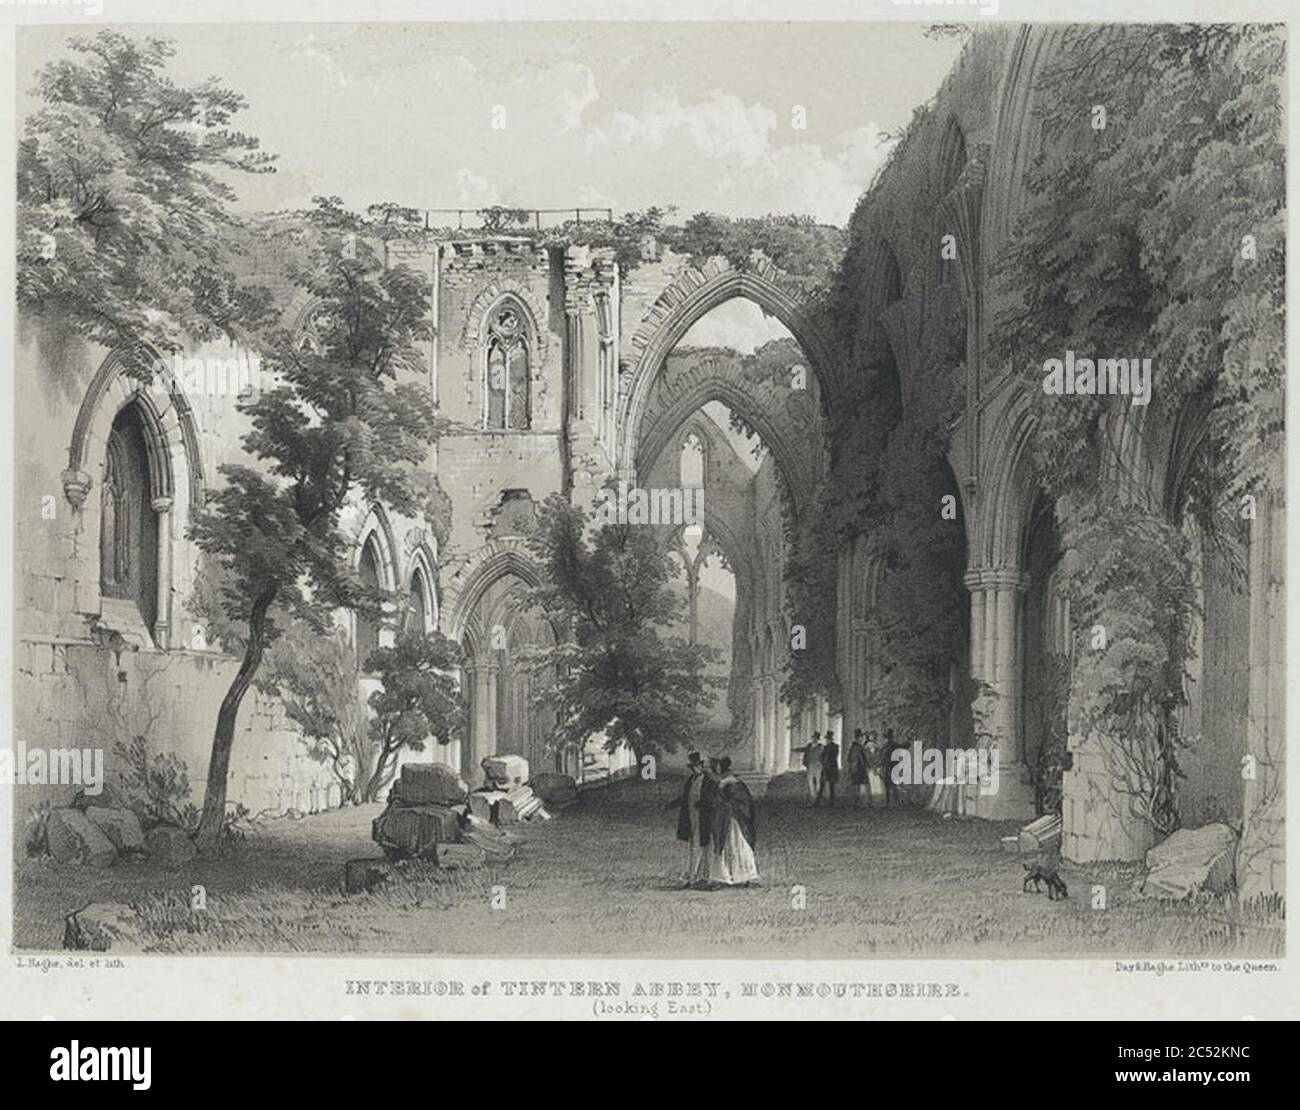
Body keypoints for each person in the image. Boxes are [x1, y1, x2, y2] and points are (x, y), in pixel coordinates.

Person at [706, 757, 759, 887]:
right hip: (724, 820)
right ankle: (723, 878)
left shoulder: (734, 783)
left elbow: (743, 803)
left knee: (738, 846)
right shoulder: (721, 782)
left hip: (735, 822)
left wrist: (725, 805)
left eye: (717, 767)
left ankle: (745, 877)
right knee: (725, 847)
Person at [666, 752, 708, 887]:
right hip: (690, 817)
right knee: (695, 846)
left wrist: (703, 804)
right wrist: (670, 805)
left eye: (697, 767)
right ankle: (695, 876)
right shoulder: (691, 780)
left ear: (702, 766)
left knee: (701, 846)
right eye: (693, 767)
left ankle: (697, 877)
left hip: (704, 818)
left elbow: (714, 799)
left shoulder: (708, 781)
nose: (695, 769)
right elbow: (684, 798)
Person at [795, 731, 824, 802]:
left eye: (816, 738)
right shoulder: (809, 746)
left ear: (817, 739)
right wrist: (796, 750)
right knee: (810, 780)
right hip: (811, 765)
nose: (814, 739)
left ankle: (818, 797)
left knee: (818, 781)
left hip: (818, 765)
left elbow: (824, 756)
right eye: (813, 738)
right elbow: (804, 749)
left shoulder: (821, 747)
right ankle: (813, 796)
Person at [847, 729, 870, 808]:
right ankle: (859, 803)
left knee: (857, 786)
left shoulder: (856, 747)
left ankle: (858, 803)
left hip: (857, 769)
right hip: (858, 769)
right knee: (859, 786)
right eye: (861, 737)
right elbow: (857, 759)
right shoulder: (857, 748)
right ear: (859, 738)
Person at [817, 731, 840, 807]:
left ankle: (821, 801)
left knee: (826, 785)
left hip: (828, 768)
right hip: (830, 768)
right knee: (829, 786)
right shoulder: (834, 747)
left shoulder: (829, 747)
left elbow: (824, 757)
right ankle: (830, 802)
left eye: (827, 739)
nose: (827, 740)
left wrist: (824, 763)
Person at [881, 728, 901, 808]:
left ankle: (892, 803)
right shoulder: (889, 745)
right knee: (890, 786)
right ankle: (891, 803)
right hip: (890, 767)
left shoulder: (890, 746)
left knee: (890, 786)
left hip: (891, 766)